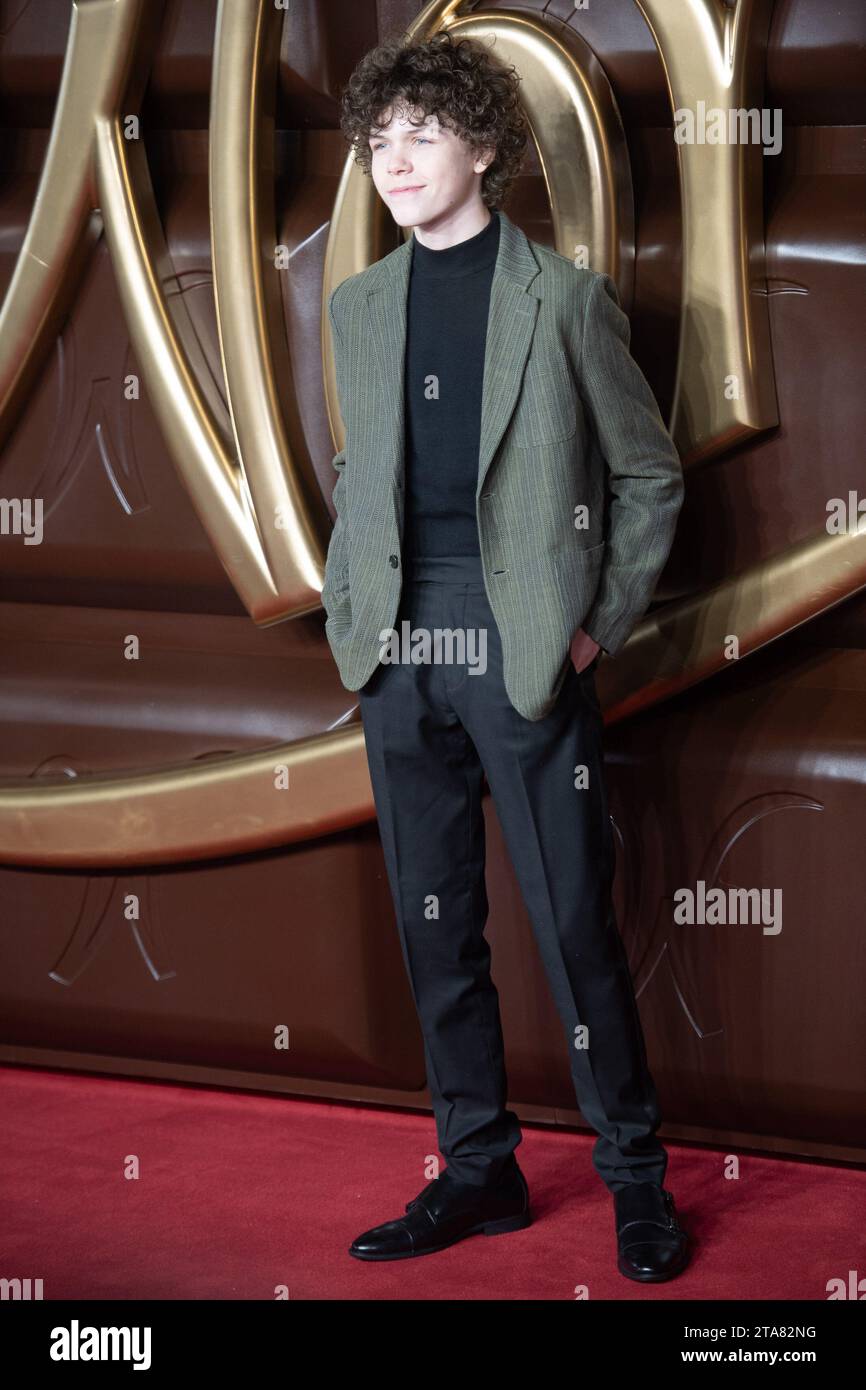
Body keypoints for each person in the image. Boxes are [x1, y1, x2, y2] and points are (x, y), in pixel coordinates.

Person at [321, 31, 689, 1281]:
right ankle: (476, 1171)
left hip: (522, 646)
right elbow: (355, 470)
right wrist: (350, 605)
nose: (397, 161)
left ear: (483, 147)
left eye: (423, 135)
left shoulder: (566, 302)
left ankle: (635, 1180)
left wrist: (595, 623)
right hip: (396, 652)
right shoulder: (358, 306)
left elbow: (646, 476)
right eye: (380, 141)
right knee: (438, 933)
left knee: (575, 923)